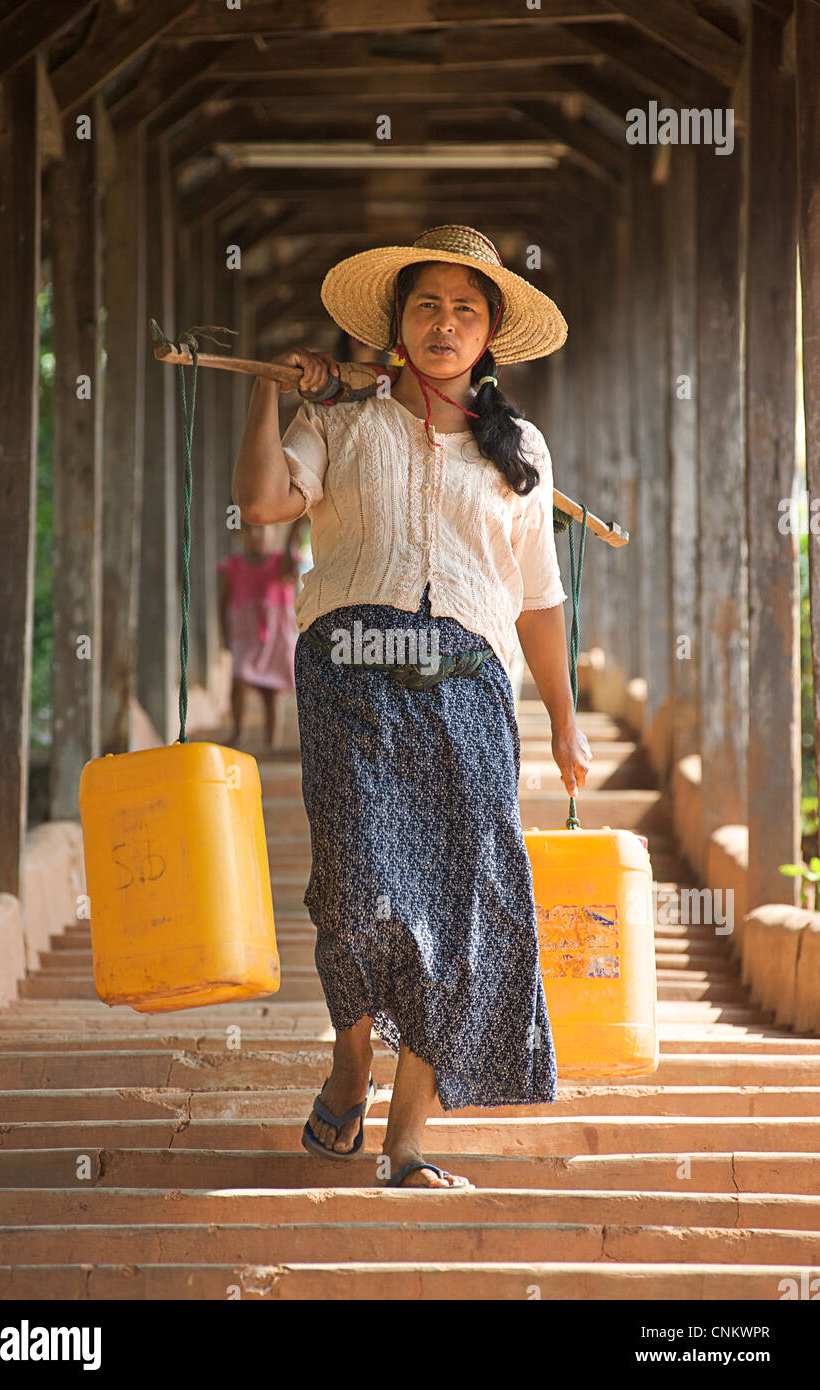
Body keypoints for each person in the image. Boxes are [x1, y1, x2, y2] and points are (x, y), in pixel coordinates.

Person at [233, 224, 592, 1190]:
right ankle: (352, 1056)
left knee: (467, 905)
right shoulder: (341, 423)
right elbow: (263, 504)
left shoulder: (519, 451)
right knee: (356, 890)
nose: (444, 323)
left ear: (489, 336)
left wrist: (560, 716)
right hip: (351, 675)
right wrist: (271, 393)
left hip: (471, 689)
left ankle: (406, 1146)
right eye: (427, 306)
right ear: (396, 327)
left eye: (465, 311)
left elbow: (540, 597)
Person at [217, 522, 300, 749]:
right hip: (246, 635)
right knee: (239, 681)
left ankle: (271, 742)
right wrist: (223, 635)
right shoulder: (232, 565)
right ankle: (237, 733)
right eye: (249, 529)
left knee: (271, 692)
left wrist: (294, 530)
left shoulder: (281, 563)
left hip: (276, 638)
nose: (255, 535)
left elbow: (292, 562)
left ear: (274, 531)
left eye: (262, 528)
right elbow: (222, 602)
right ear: (239, 533)